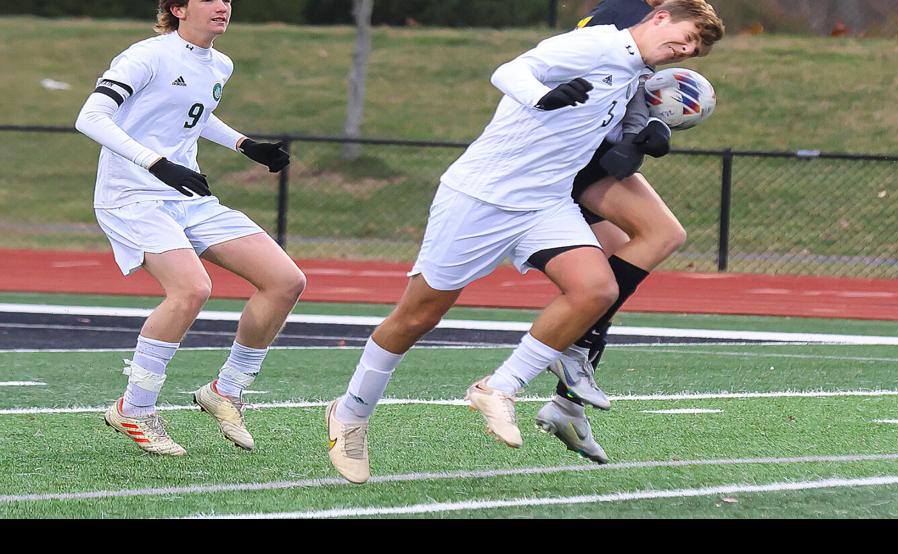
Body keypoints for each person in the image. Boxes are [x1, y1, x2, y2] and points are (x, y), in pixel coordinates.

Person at [325, 0, 725, 484]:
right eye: (685, 37)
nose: (684, 50)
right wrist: (542, 97)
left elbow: (610, 144)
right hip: (481, 198)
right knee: (418, 316)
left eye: (693, 51)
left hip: (546, 203)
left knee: (596, 290)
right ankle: (349, 414)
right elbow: (511, 70)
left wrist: (644, 136)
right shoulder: (597, 44)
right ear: (660, 16)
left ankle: (499, 388)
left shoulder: (636, 72)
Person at [76, 0, 305, 455]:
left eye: (228, 0)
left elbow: (194, 114)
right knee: (191, 290)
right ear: (178, 9)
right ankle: (134, 409)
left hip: (187, 196)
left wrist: (244, 144)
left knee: (285, 281)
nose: (223, 6)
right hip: (132, 197)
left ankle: (225, 391)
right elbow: (90, 118)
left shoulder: (220, 62)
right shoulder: (145, 56)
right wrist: (156, 164)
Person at [534, 0, 705, 462]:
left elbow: (628, 83)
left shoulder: (655, 20)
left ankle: (567, 404)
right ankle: (572, 347)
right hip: (569, 145)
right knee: (662, 235)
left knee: (610, 273)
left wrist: (644, 125)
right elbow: (592, 76)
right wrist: (636, 129)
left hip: (583, 142)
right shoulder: (625, 11)